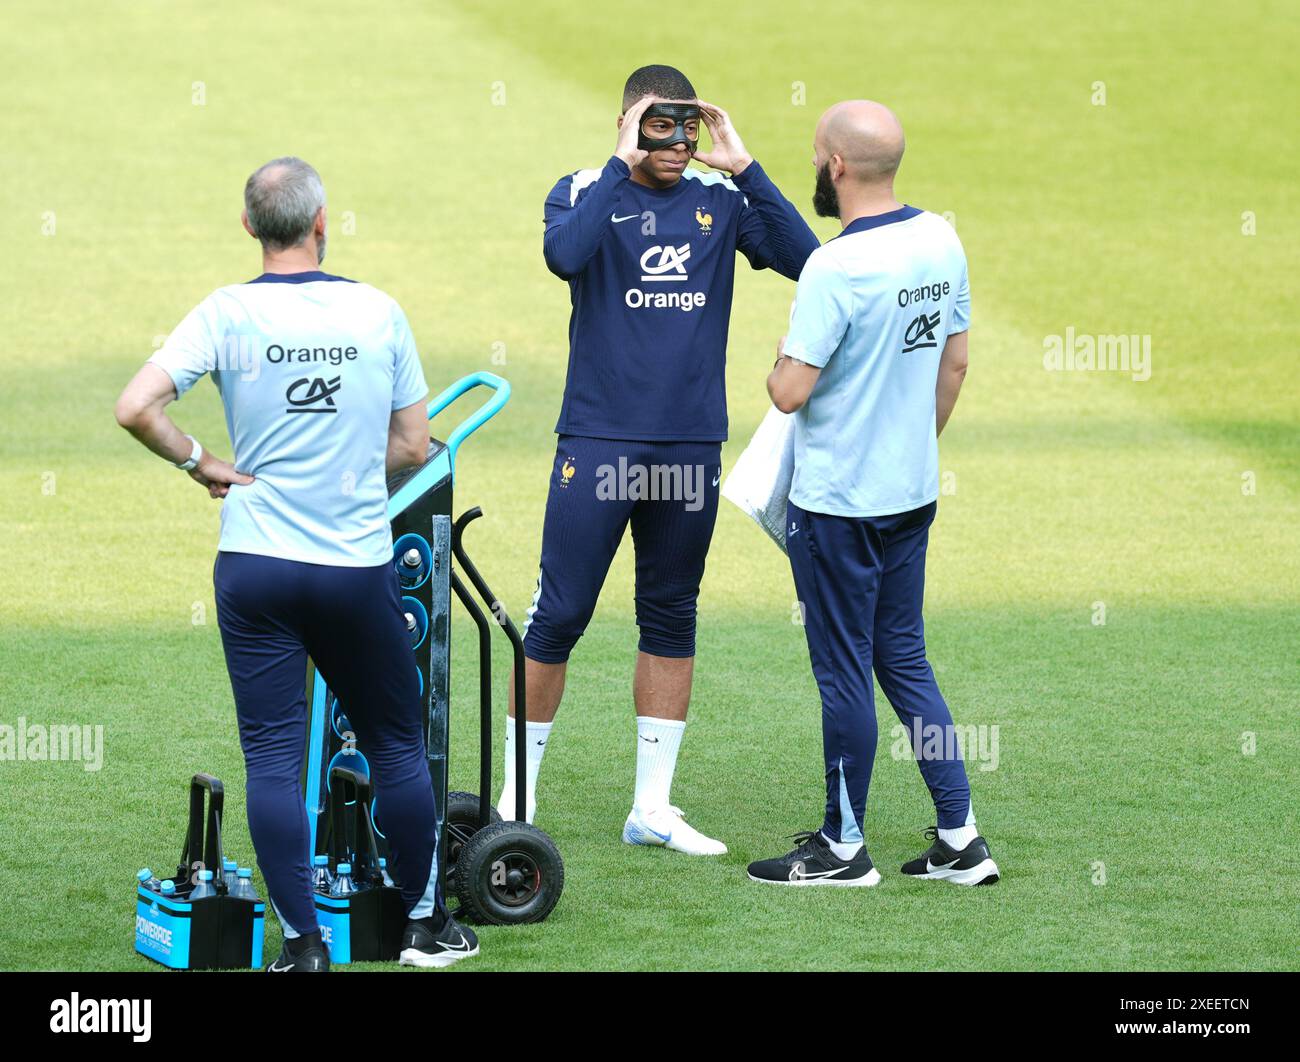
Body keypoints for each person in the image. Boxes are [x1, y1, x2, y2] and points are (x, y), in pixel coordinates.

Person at [114, 157, 481, 969]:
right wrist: (350, 472)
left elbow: (136, 407)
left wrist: (201, 463)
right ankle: (424, 928)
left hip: (254, 566)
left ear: (250, 227)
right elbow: (415, 445)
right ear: (324, 222)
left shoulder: (225, 311)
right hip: (351, 566)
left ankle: (303, 947)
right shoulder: (379, 310)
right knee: (394, 741)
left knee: (273, 756)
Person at [501, 64, 819, 855]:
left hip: (687, 444)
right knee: (561, 614)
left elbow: (811, 261)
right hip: (599, 441)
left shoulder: (721, 200)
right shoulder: (582, 188)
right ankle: (515, 799)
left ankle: (652, 809)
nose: (677, 143)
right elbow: (565, 258)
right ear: (629, 121)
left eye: (687, 126)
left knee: (672, 615)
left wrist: (743, 164)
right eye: (660, 126)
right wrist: (618, 162)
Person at [747, 102, 1000, 888]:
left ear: (836, 166)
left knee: (845, 672)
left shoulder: (835, 267)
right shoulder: (940, 238)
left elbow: (789, 392)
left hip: (838, 504)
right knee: (904, 658)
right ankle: (960, 837)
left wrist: (777, 360)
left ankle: (843, 848)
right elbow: (953, 364)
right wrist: (911, 450)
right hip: (910, 491)